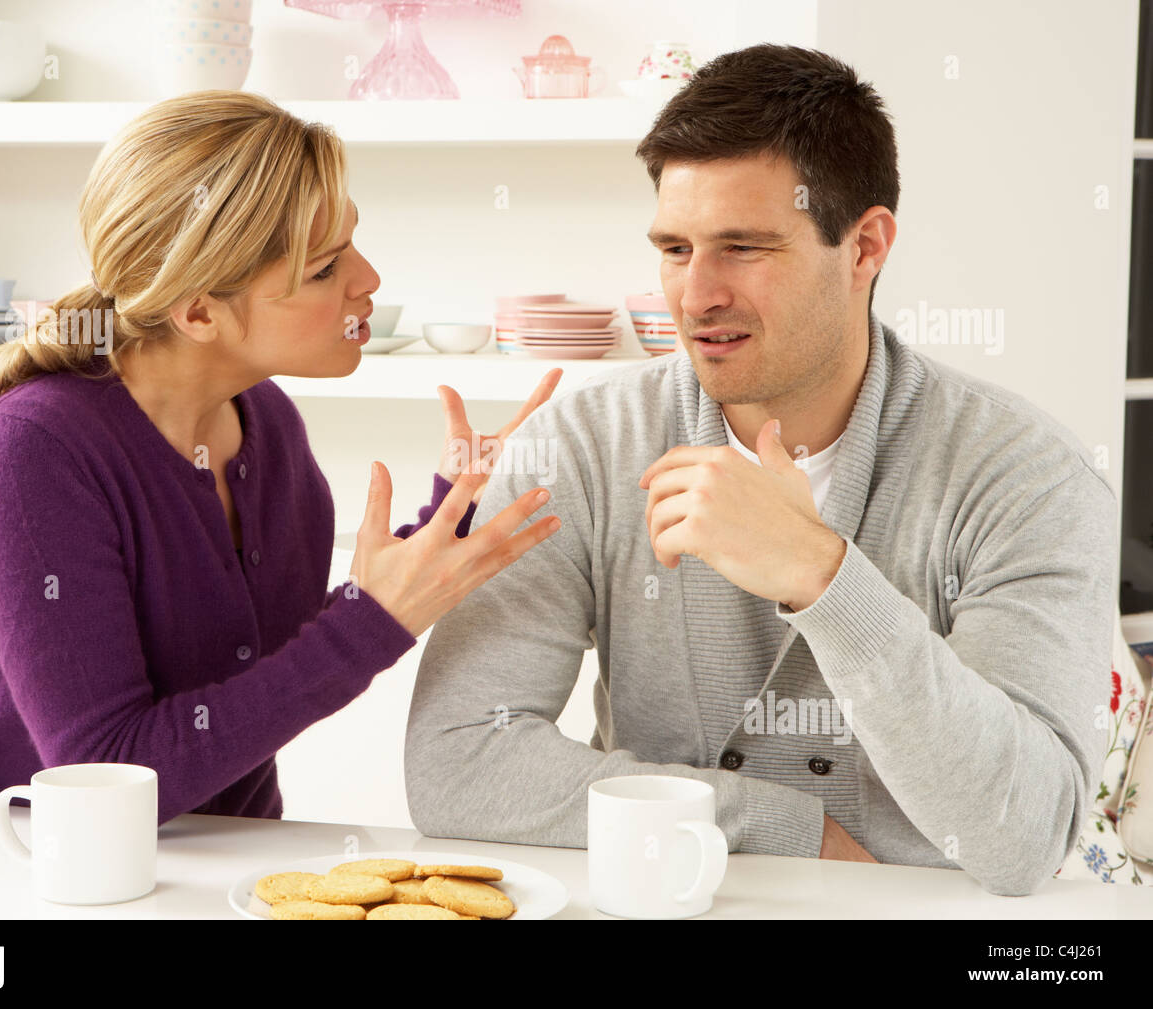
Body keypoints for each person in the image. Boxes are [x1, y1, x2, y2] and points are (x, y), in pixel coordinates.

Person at [404, 44, 1119, 897]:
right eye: (675, 247)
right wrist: (781, 826)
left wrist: (822, 576)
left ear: (865, 248)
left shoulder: (1026, 475)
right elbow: (456, 764)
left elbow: (1025, 835)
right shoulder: (583, 445)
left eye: (743, 246)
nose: (695, 295)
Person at [0, 90, 562, 835]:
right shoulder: (34, 454)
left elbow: (262, 670)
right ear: (198, 313)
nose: (369, 280)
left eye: (352, 242)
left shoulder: (267, 422)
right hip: (29, 875)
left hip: (220, 865)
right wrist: (374, 620)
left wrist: (447, 523)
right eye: (325, 269)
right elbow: (104, 774)